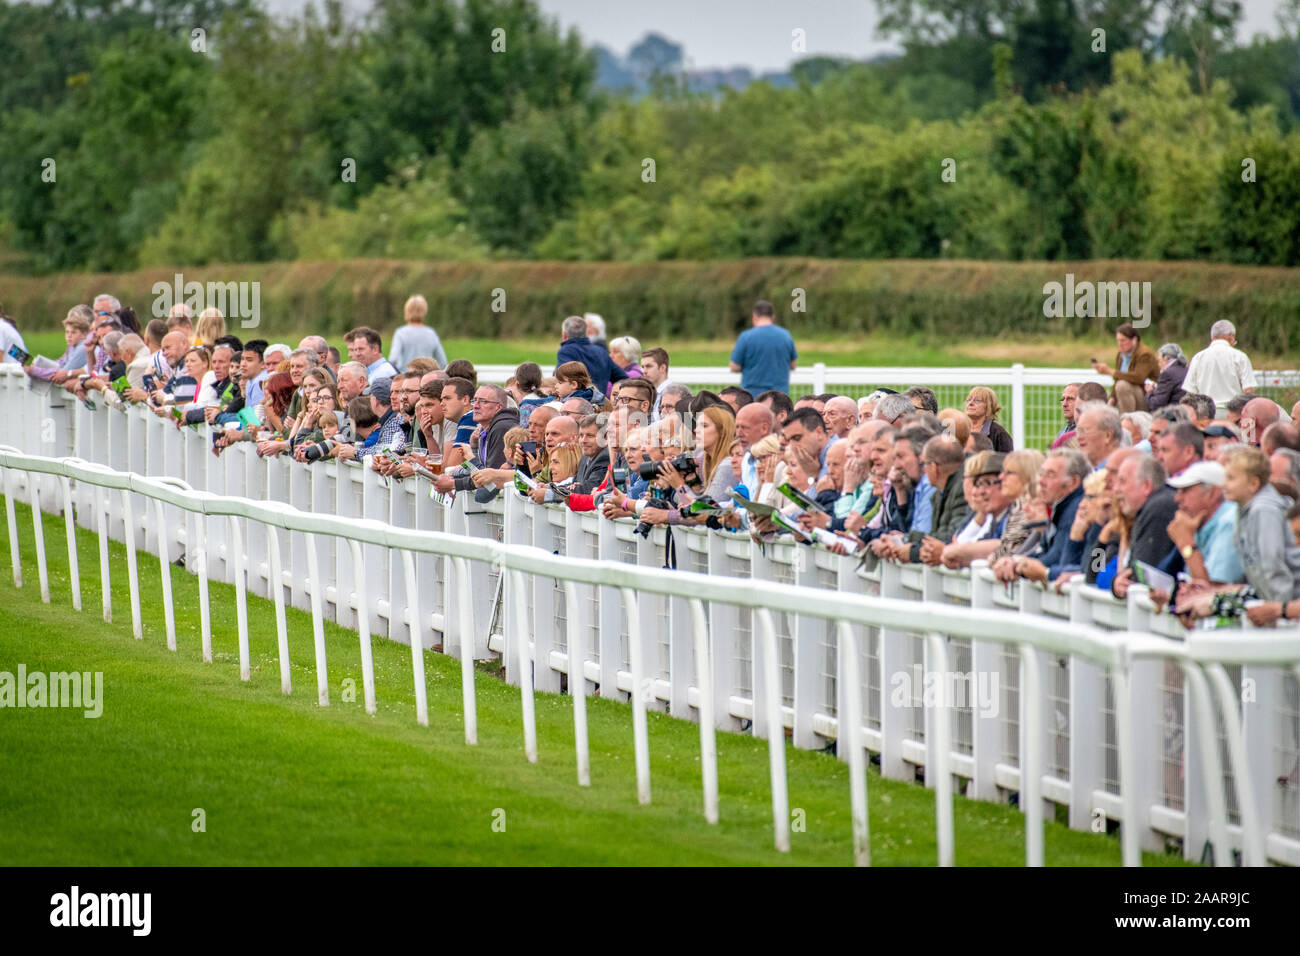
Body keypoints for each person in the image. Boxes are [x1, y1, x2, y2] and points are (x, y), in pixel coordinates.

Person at [1182, 320, 1257, 408]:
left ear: (1212, 337)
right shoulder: (1240, 357)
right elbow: (1248, 390)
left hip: (1205, 412)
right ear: (1231, 336)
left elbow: (1191, 392)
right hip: (1233, 412)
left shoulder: (1198, 358)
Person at [729, 300, 797, 396]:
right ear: (773, 317)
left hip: (752, 395)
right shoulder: (786, 335)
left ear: (754, 316)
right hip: (779, 396)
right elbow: (793, 365)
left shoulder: (746, 337)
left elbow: (734, 366)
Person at [1091, 322, 1157, 413]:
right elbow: (1118, 378)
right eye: (1118, 340)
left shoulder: (1145, 354)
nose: (1119, 344)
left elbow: (1139, 377)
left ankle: (1127, 422)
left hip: (1147, 397)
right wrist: (1112, 398)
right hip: (1127, 398)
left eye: (1123, 341)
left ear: (1134, 340)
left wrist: (1111, 372)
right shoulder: (1121, 354)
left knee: (1122, 386)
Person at [556, 315, 626, 395]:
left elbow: (561, 378)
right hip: (600, 402)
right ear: (586, 333)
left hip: (576, 402)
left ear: (564, 335)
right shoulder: (601, 351)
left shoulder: (566, 351)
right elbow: (623, 379)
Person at [389, 294, 448, 371]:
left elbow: (393, 359)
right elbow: (443, 362)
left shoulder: (400, 333)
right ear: (425, 311)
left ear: (406, 311)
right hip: (427, 379)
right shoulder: (431, 333)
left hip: (407, 379)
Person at [963, 386, 1013, 452]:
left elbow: (1006, 461)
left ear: (988, 406)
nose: (970, 403)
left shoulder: (999, 435)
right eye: (969, 399)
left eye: (977, 400)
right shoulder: (959, 429)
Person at [1146, 343, 1188, 410]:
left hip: (1174, 414)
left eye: (1159, 360)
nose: (1158, 364)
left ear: (1165, 358)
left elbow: (1156, 404)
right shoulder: (1187, 369)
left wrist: (1149, 392)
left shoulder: (1167, 374)